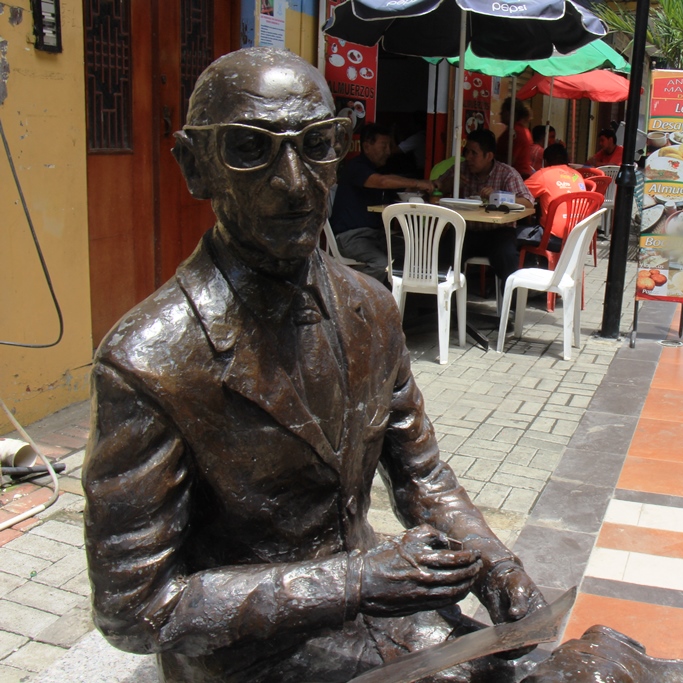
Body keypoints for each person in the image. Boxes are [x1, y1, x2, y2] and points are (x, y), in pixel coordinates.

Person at [83, 47, 544, 683]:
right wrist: (355, 580)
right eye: (250, 148)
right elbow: (134, 608)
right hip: (252, 655)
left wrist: (496, 565)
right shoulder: (149, 361)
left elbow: (423, 475)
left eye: (318, 144)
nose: (295, 182)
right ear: (195, 166)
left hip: (377, 607)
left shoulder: (370, 308)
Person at [329, 122, 434, 284]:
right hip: (351, 237)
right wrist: (417, 183)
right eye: (384, 146)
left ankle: (402, 300)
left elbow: (394, 189)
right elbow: (382, 182)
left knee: (416, 252)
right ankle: (361, 300)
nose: (388, 151)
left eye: (390, 146)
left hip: (377, 236)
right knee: (381, 264)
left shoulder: (382, 169)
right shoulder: (357, 167)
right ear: (366, 146)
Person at [437, 129, 533, 285]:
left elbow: (528, 202)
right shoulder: (460, 170)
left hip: (498, 232)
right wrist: (449, 184)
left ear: (489, 156)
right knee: (444, 251)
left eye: (474, 153)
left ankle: (511, 304)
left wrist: (498, 196)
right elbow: (436, 188)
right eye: (466, 152)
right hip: (466, 231)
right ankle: (441, 301)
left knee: (507, 256)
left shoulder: (507, 174)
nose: (468, 157)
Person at [525, 143, 588, 246]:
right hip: (577, 236)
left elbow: (518, 192)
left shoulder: (544, 175)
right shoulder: (577, 176)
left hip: (553, 238)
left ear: (545, 161)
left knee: (512, 235)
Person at [496, 97, 535, 178]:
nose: (500, 114)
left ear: (510, 113)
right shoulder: (521, 130)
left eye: (503, 111)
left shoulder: (516, 132)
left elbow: (511, 159)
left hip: (517, 175)